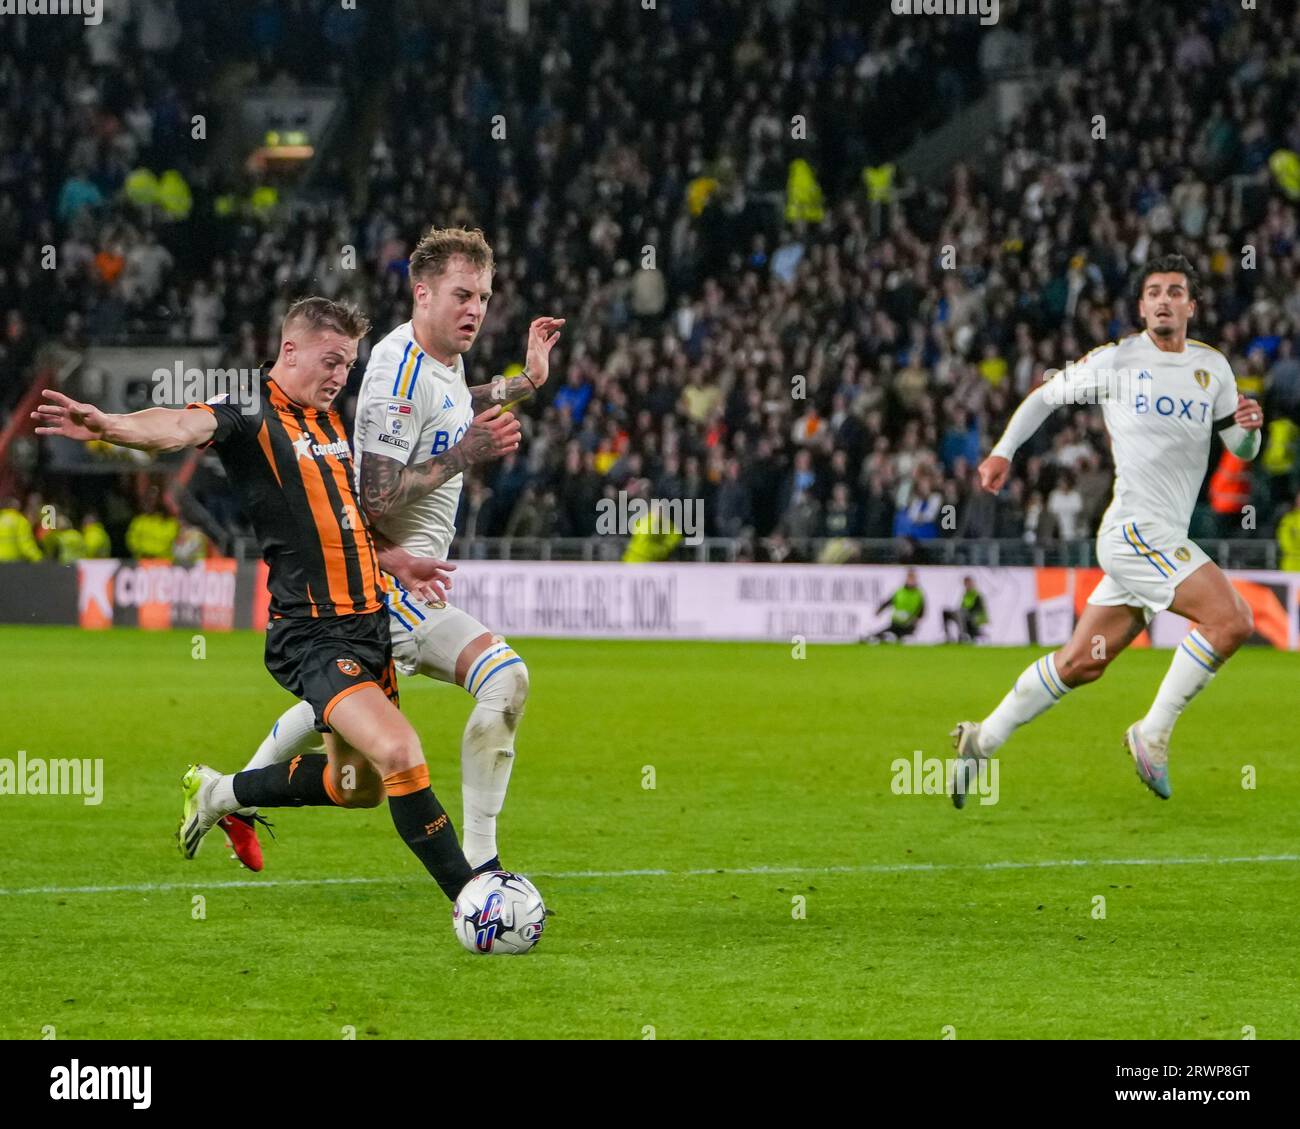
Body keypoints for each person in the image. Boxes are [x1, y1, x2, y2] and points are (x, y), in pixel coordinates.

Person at [33, 296, 512, 905]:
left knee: (355, 787)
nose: (340, 375)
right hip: (316, 634)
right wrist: (112, 426)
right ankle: (474, 899)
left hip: (369, 624)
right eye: (331, 360)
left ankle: (219, 793)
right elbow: (179, 425)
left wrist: (399, 561)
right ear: (290, 350)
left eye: (348, 364)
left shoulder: (332, 428)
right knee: (400, 750)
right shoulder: (250, 416)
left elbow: (345, 521)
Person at [222, 227, 563, 875]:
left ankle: (229, 790)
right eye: (463, 294)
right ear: (423, 292)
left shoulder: (439, 360)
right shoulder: (395, 372)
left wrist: (525, 381)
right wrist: (466, 455)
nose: (476, 309)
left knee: (349, 759)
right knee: (506, 679)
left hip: (393, 587)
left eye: (485, 297)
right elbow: (374, 497)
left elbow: (456, 403)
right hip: (386, 585)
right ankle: (484, 870)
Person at [950, 255, 1263, 805]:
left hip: (1160, 537)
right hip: (1135, 531)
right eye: (1154, 292)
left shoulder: (1212, 368)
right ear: (1142, 306)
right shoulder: (1118, 361)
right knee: (1232, 619)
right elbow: (1045, 396)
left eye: (1175, 291)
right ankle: (1153, 732)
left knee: (1082, 662)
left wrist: (1249, 432)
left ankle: (982, 738)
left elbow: (1237, 446)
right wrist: (1002, 452)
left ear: (1191, 305)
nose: (1164, 300)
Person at [867, 568, 926, 642]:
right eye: (909, 578)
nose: (911, 580)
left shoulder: (919, 594)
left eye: (912, 578)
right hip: (895, 623)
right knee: (887, 634)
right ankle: (873, 637)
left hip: (909, 625)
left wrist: (915, 619)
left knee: (905, 639)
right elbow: (889, 602)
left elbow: (922, 610)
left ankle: (888, 638)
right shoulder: (900, 591)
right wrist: (879, 610)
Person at [942, 576, 988, 642]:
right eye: (965, 584)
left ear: (972, 583)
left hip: (972, 616)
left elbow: (980, 610)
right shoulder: (966, 594)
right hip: (963, 614)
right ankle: (948, 637)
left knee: (959, 613)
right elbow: (962, 606)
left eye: (968, 583)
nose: (967, 585)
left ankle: (962, 635)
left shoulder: (977, 595)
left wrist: (975, 617)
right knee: (945, 612)